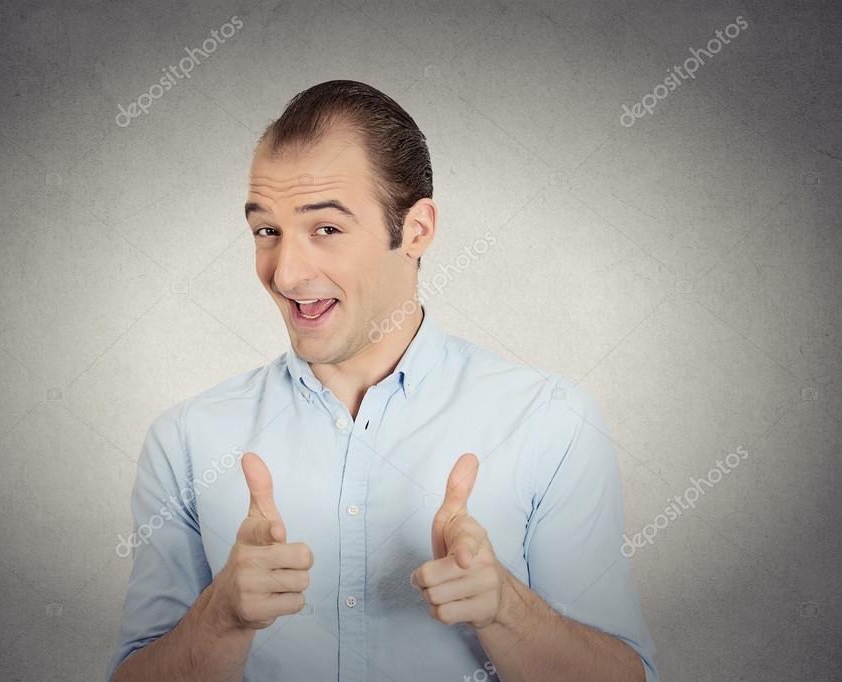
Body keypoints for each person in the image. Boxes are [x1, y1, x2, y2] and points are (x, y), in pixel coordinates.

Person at [107, 80, 657, 681]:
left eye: (327, 229)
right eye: (267, 230)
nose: (285, 272)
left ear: (416, 230)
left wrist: (504, 610)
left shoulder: (550, 421)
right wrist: (221, 622)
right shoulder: (186, 440)